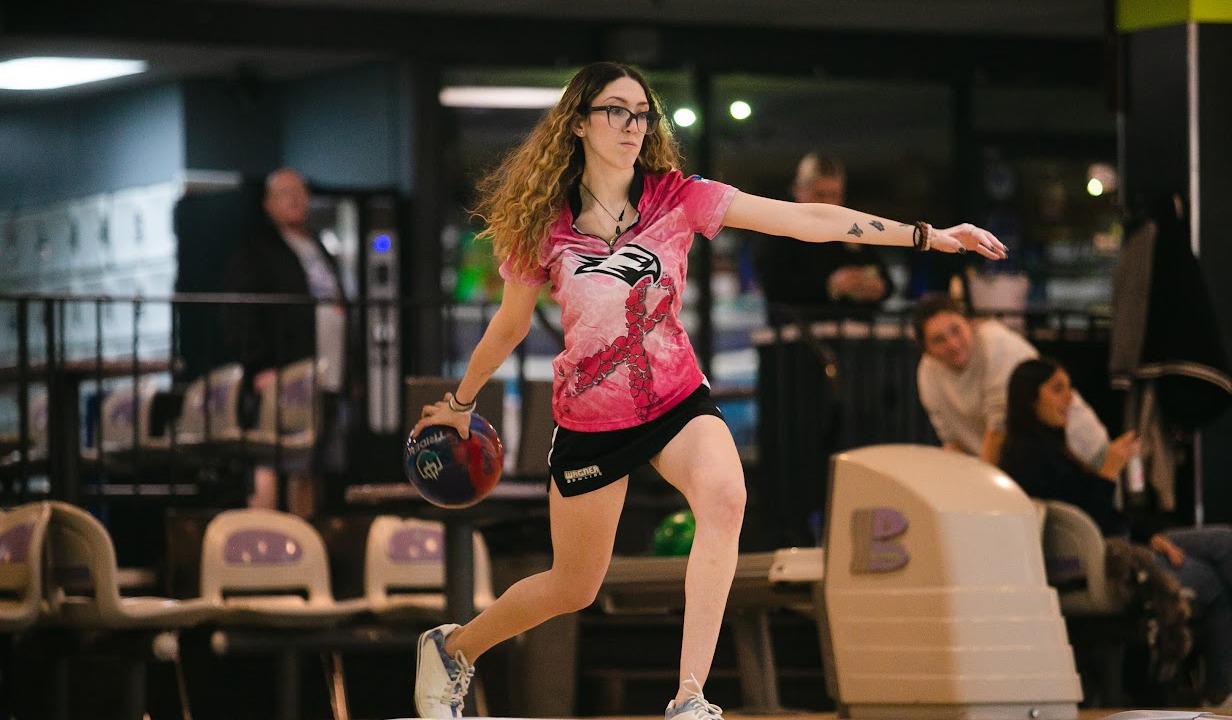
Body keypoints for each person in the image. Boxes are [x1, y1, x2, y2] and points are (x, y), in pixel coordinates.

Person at [409, 61, 1005, 720]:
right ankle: (455, 647)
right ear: (577, 123)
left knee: (725, 496)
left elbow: (805, 220)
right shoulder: (544, 224)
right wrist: (461, 403)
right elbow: (510, 324)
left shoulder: (679, 197)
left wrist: (925, 236)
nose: (632, 125)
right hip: (591, 417)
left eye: (641, 113)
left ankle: (690, 697)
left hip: (674, 396)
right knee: (574, 586)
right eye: (614, 110)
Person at [999, 357, 1232, 708]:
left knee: (1224, 541)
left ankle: (1221, 685)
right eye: (1057, 389)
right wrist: (1107, 472)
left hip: (1120, 540)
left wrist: (1147, 534)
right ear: (1031, 398)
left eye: (1070, 388)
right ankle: (1220, 691)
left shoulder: (1056, 447)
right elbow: (1084, 518)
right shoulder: (1024, 457)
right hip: (1097, 562)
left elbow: (1106, 514)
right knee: (1208, 580)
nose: (1070, 399)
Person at [224, 168, 347, 517]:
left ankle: (303, 538)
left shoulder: (321, 246)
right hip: (282, 372)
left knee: (313, 462)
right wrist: (259, 365)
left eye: (300, 190)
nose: (295, 198)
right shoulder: (256, 252)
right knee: (275, 457)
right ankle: (266, 538)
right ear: (267, 203)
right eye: (285, 192)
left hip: (327, 372)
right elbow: (241, 316)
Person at [913, 292, 1108, 466]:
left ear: (969, 323)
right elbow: (951, 439)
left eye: (956, 330)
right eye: (938, 340)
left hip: (1077, 449)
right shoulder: (928, 372)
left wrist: (984, 485)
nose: (953, 344)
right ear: (926, 350)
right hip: (1027, 463)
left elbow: (999, 428)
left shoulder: (996, 345)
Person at [753, 152, 892, 321]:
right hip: (796, 335)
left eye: (834, 195)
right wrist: (829, 286)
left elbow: (885, 279)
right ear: (799, 190)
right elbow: (773, 286)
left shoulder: (849, 229)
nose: (827, 203)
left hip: (853, 336)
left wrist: (878, 287)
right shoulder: (778, 230)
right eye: (819, 194)